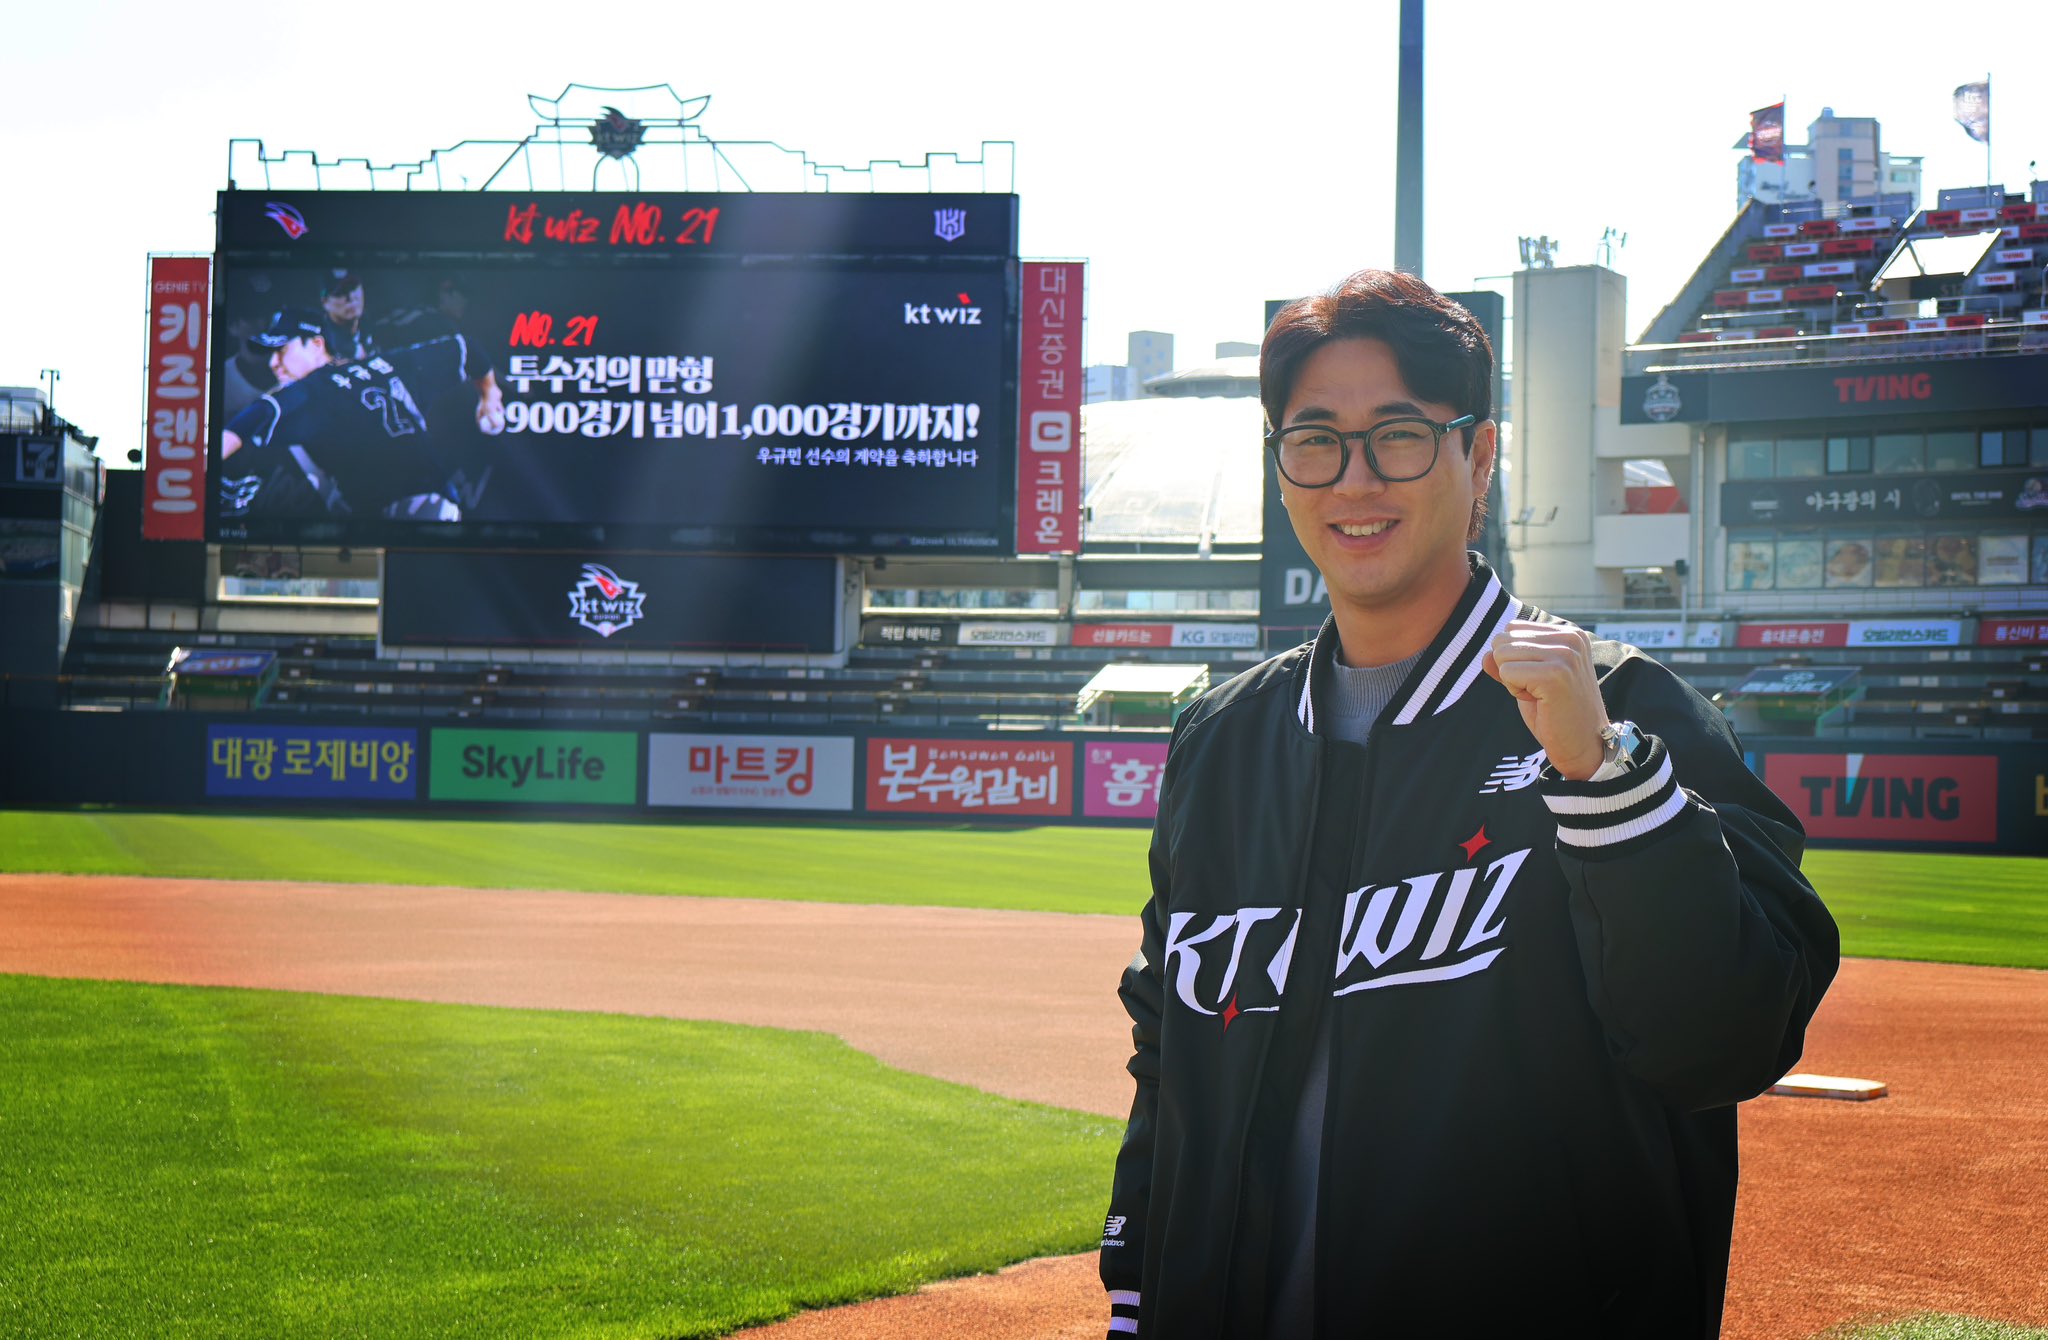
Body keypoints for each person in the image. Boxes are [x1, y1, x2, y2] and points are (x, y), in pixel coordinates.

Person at [1099, 269, 1838, 1339]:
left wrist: (1603, 779)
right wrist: (1135, 1292)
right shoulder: (1222, 740)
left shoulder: (1625, 710)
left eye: (1398, 435)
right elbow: (1169, 1049)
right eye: (1315, 441)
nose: (1354, 479)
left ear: (1479, 455)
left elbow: (1725, 1040)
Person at [218, 306, 503, 521]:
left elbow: (244, 426)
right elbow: (468, 349)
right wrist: (490, 397)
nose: (273, 363)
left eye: (282, 350)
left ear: (316, 345)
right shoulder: (390, 363)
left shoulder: (309, 389)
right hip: (437, 508)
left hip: (397, 516)